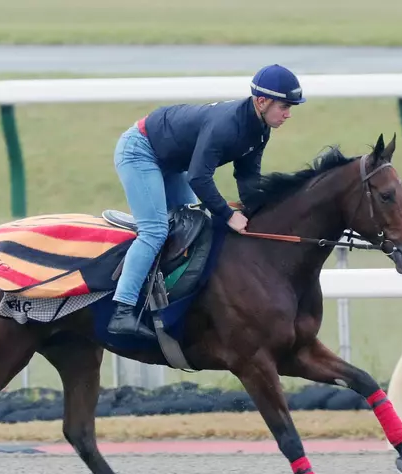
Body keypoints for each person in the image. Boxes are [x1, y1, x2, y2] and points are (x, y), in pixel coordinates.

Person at [107, 64, 306, 339]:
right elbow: (199, 178)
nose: (288, 114)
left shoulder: (259, 129)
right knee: (155, 230)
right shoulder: (227, 125)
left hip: (172, 162)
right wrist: (228, 214)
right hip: (141, 151)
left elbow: (247, 176)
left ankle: (169, 301)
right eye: (284, 107)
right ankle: (123, 311)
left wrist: (259, 213)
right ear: (262, 101)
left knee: (195, 228)